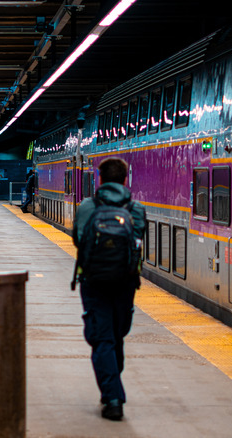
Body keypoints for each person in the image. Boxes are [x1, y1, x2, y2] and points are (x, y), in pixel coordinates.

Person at [72, 157, 146, 421]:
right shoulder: (136, 209)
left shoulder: (87, 207)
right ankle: (112, 390)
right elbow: (137, 243)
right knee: (116, 336)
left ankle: (112, 397)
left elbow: (79, 240)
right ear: (125, 179)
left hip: (93, 282)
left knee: (102, 339)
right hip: (126, 283)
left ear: (99, 179)